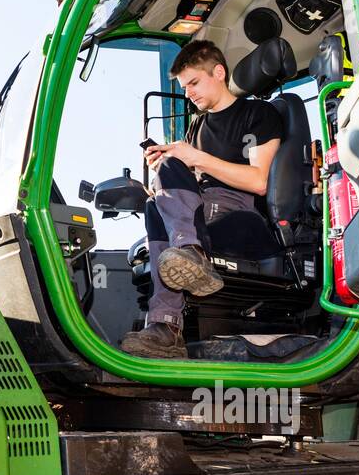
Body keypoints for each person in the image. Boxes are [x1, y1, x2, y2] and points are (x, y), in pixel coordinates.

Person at [120, 40, 284, 359]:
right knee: (155, 201)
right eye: (184, 87)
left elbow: (259, 181)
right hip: (199, 215)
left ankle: (189, 253)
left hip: (241, 215)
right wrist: (169, 168)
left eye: (193, 83)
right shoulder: (197, 125)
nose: (188, 93)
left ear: (218, 72)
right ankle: (167, 326)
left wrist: (194, 158)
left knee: (172, 173)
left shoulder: (258, 114)